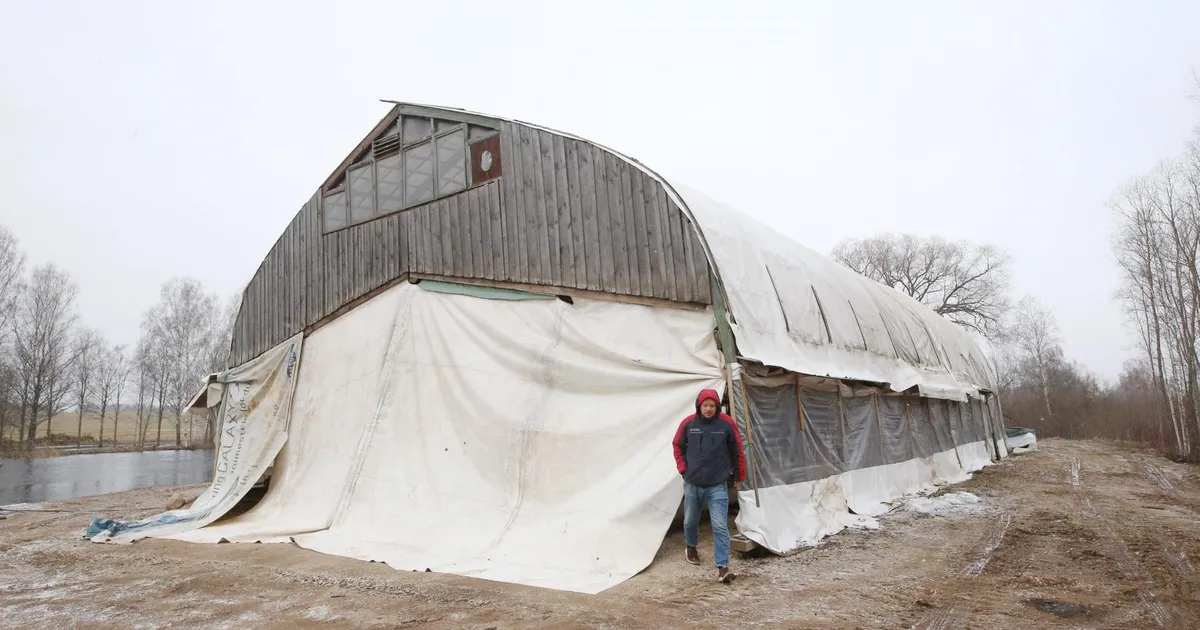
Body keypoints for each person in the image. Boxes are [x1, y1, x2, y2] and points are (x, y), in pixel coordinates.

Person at [671, 388, 746, 584]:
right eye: (705, 405)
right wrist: (683, 468)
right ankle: (691, 546)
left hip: (717, 483)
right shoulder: (688, 424)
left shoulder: (726, 424)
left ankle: (723, 568)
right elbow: (677, 445)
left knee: (720, 525)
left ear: (717, 407)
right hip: (693, 482)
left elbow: (737, 449)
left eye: (712, 405)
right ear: (699, 406)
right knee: (690, 520)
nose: (709, 409)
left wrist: (739, 474)